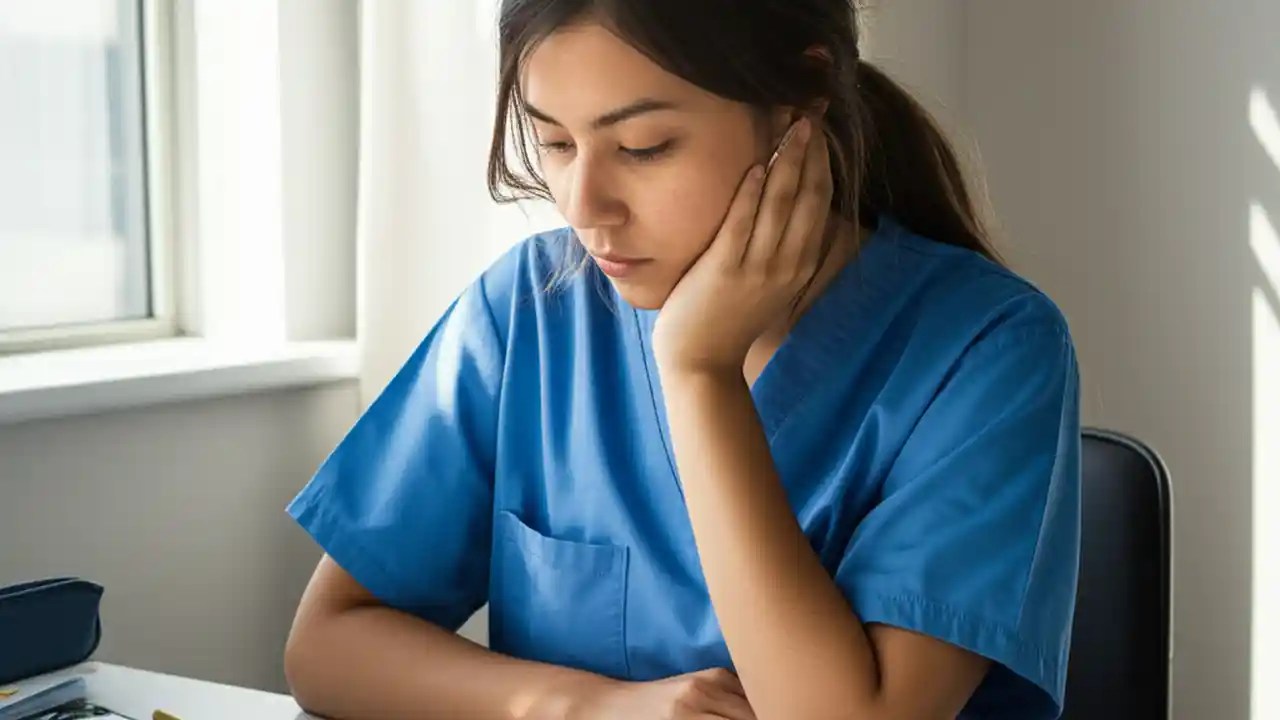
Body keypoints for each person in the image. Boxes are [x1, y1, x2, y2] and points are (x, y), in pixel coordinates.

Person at [282, 1, 1081, 718]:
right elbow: (327, 645)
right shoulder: (527, 308)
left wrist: (698, 373)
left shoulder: (988, 347)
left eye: (644, 147)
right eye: (555, 142)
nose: (582, 205)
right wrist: (583, 706)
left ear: (801, 98)